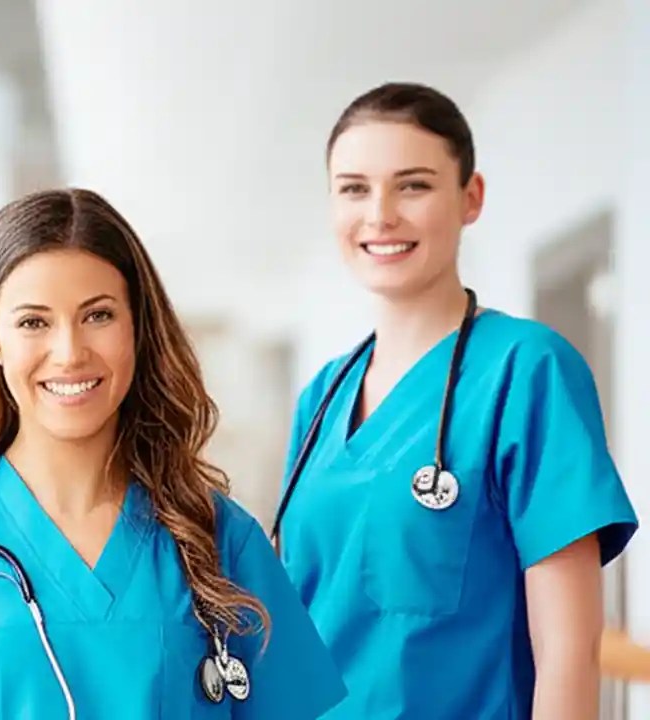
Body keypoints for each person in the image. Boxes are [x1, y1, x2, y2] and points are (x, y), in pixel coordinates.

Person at [0, 188, 347, 718]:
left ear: (137, 329)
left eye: (98, 315)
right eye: (33, 323)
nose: (70, 352)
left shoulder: (218, 539)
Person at [272, 82, 639, 719]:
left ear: (471, 198)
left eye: (412, 185)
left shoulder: (526, 371)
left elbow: (568, 648)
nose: (380, 214)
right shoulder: (321, 399)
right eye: (353, 188)